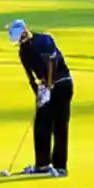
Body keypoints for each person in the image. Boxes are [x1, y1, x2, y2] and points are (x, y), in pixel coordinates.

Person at [7, 18, 72, 177]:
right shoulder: (23, 52)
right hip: (46, 88)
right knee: (41, 125)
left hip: (62, 84)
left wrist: (49, 85)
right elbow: (31, 77)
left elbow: (51, 63)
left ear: (25, 31)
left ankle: (60, 167)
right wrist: (39, 94)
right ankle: (42, 165)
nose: (20, 41)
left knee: (60, 126)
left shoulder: (44, 40)